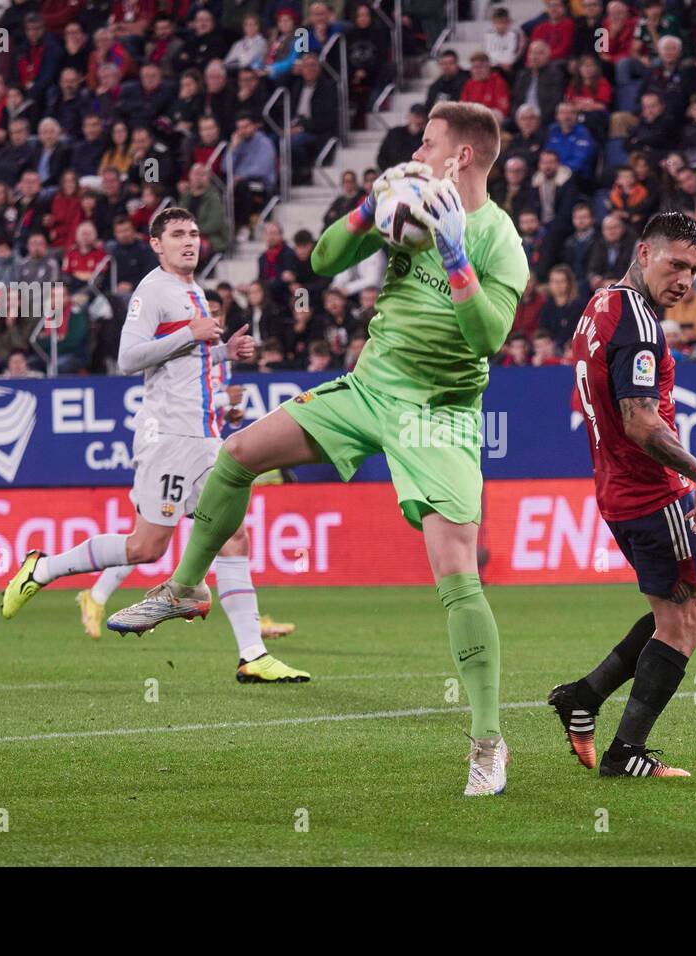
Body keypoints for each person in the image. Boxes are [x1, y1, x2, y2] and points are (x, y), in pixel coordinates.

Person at [106, 102, 530, 797]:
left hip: (439, 413)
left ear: (460, 157)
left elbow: (488, 337)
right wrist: (369, 210)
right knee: (239, 452)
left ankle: (487, 741)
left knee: (456, 570)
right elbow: (323, 260)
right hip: (369, 387)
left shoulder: (496, 238)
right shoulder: (405, 206)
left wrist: (454, 254)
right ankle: (184, 588)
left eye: (427, 143)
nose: (414, 150)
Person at [1, 207, 308, 682]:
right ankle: (41, 570)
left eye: (193, 233)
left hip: (205, 436)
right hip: (168, 437)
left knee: (233, 533)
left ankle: (253, 655)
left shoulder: (194, 290)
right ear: (156, 244)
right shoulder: (152, 290)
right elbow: (127, 357)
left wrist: (226, 352)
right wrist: (192, 332)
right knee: (146, 548)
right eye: (178, 235)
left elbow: (187, 361)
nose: (189, 241)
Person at [549, 212, 696, 780]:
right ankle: (625, 754)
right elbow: (642, 423)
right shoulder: (641, 325)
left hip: (617, 487)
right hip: (649, 490)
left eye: (694, 270)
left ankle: (584, 696)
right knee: (684, 620)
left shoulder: (601, 303)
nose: (685, 281)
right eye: (676, 264)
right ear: (644, 253)